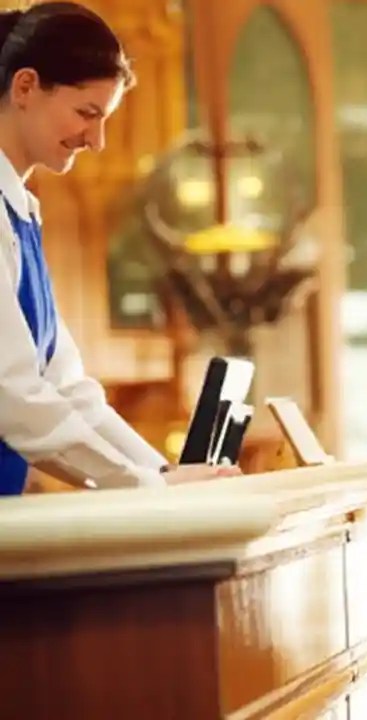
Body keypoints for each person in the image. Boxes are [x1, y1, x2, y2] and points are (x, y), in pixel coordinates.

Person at [0, 2, 237, 495]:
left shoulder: (19, 210)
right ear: (25, 87)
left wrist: (162, 476)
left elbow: (69, 389)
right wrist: (144, 485)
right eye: (87, 114)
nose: (97, 140)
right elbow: (15, 396)